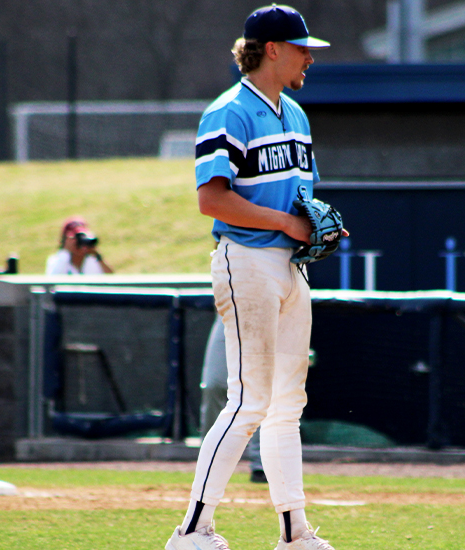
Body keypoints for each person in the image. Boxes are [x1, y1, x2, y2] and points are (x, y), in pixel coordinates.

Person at [165, 5, 341, 550]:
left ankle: (295, 532)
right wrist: (289, 221)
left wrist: (313, 226)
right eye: (301, 47)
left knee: (288, 404)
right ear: (271, 49)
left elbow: (301, 198)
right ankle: (192, 531)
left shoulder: (296, 114)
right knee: (247, 401)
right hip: (246, 260)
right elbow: (210, 198)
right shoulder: (229, 111)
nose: (309, 56)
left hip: (290, 265)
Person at [200, 314, 266, 484]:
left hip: (268, 316)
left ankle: (261, 465)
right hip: (229, 314)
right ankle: (210, 460)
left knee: (262, 390)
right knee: (214, 384)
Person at [45, 216, 114, 275]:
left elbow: (111, 279)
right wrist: (66, 251)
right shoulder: (56, 260)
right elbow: (54, 279)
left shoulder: (93, 261)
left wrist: (97, 256)